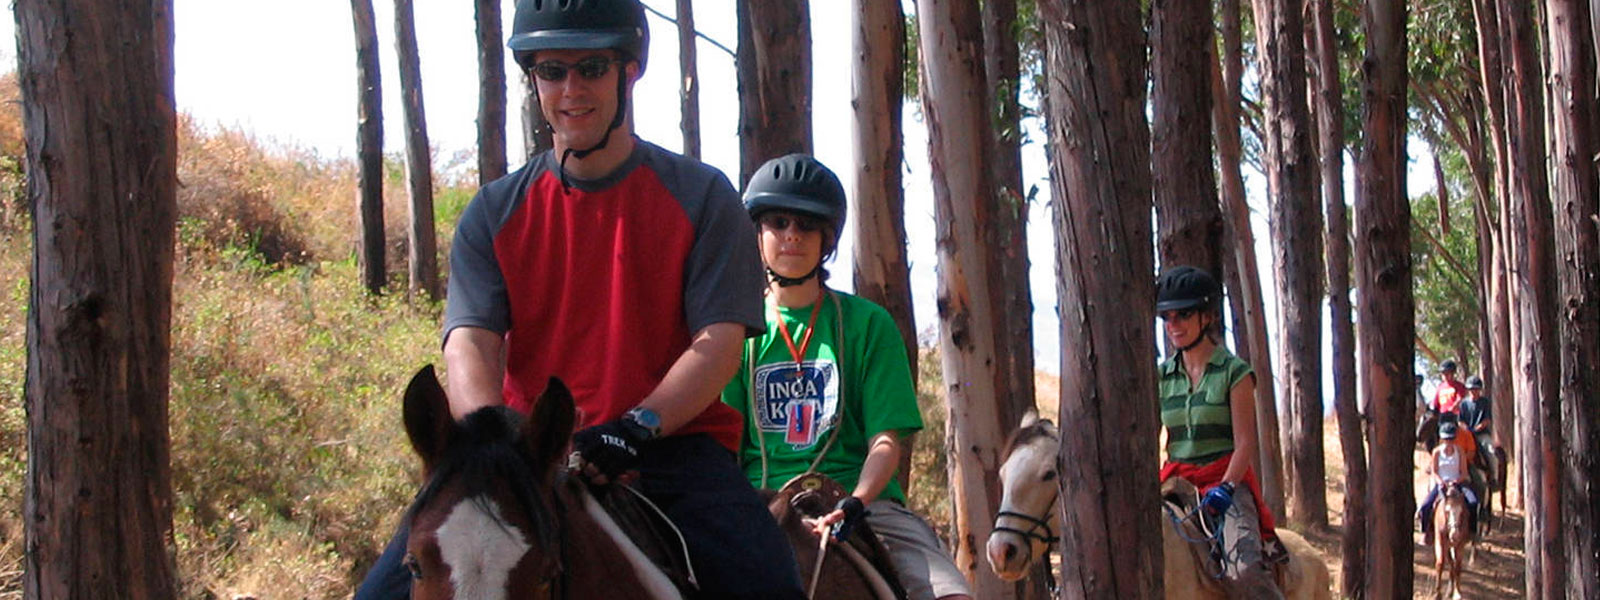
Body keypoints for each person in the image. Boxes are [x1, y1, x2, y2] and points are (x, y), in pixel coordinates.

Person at [354, 1, 805, 597]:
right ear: (533, 77)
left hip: (670, 453)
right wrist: (497, 448)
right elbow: (472, 341)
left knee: (766, 583)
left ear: (630, 70)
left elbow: (717, 342)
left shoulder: (703, 198)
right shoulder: (492, 213)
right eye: (552, 70)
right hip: (526, 456)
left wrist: (636, 426)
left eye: (592, 68)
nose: (571, 89)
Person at [721, 154, 973, 600]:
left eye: (807, 224)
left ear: (828, 239)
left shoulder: (868, 325)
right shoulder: (735, 331)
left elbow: (886, 441)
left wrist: (856, 500)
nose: (792, 235)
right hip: (759, 504)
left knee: (954, 597)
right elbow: (724, 445)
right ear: (757, 234)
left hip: (864, 507)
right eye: (778, 222)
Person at [1154, 266, 1285, 599]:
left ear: (1208, 316)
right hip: (1174, 482)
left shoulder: (1234, 372)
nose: (1173, 326)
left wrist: (1226, 488)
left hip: (1224, 483)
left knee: (1243, 571)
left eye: (1183, 315)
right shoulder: (1160, 377)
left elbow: (1244, 445)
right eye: (1166, 318)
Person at [1418, 420, 1479, 542]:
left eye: (1451, 439)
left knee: (1473, 502)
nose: (1449, 442)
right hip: (1442, 483)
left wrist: (1456, 481)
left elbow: (1464, 472)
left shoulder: (1460, 451)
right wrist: (1441, 481)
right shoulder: (1437, 452)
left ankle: (1472, 532)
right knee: (1425, 506)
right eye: (1446, 439)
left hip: (1458, 483)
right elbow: (1434, 471)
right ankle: (1425, 532)